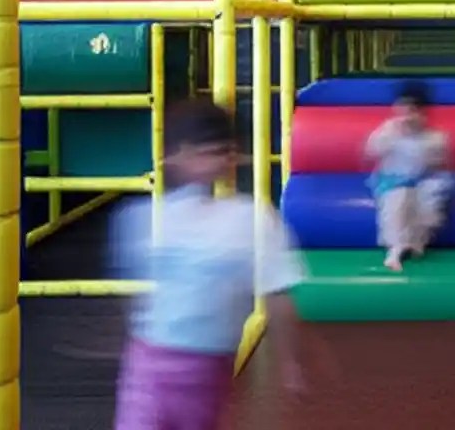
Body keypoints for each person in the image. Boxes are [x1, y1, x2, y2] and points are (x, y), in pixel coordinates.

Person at [109, 99, 308, 430]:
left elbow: (278, 297)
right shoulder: (145, 218)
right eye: (201, 151)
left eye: (217, 151)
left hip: (207, 370)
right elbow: (135, 299)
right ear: (174, 155)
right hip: (150, 363)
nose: (207, 160)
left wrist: (289, 363)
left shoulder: (251, 219)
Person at [365, 80, 455, 271]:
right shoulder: (389, 131)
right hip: (392, 181)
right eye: (403, 111)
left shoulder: (433, 137)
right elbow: (372, 150)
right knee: (397, 206)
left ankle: (415, 242)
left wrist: (436, 170)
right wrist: (391, 136)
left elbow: (439, 163)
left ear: (424, 114)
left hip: (422, 181)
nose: (408, 117)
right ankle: (395, 249)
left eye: (414, 112)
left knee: (428, 208)